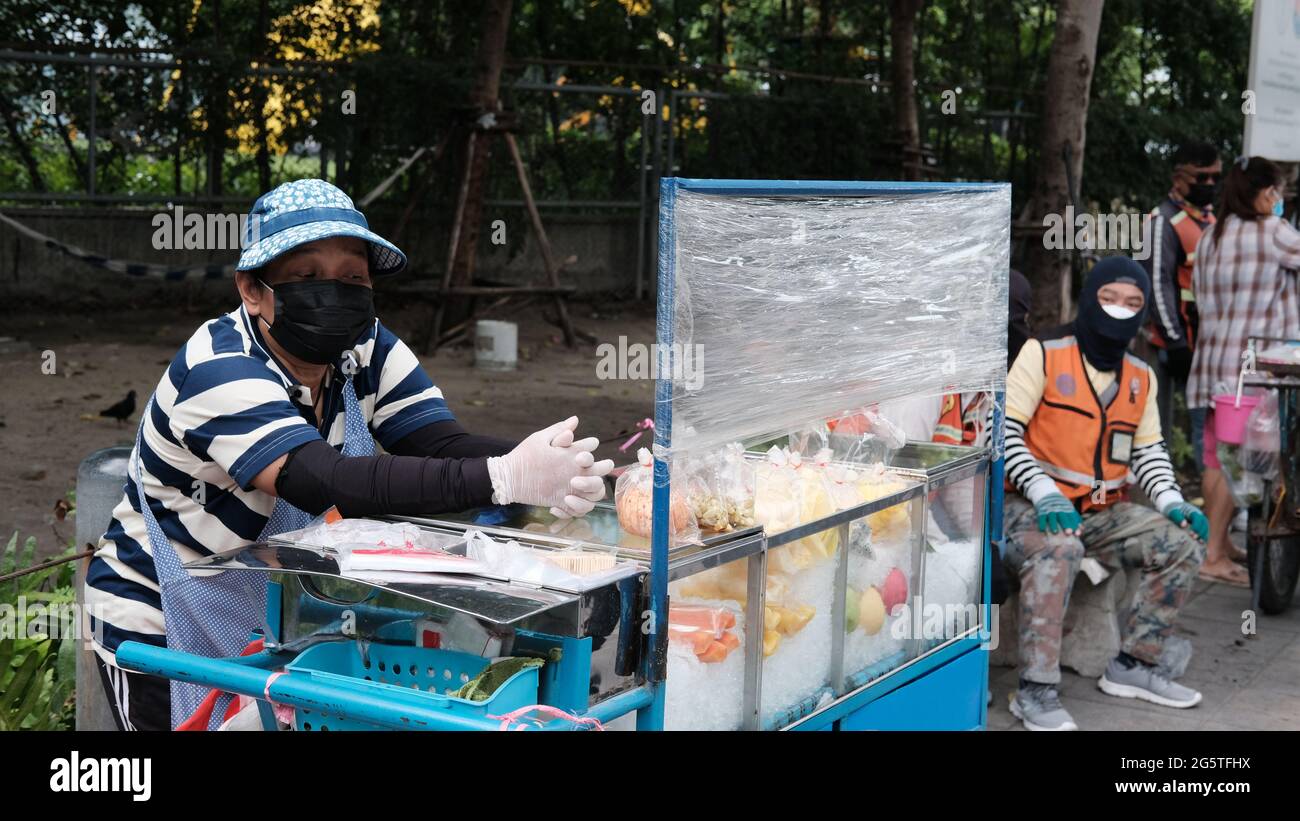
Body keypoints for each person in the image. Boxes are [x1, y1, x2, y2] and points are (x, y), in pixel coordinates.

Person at [84, 179, 614, 731]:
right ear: (252, 289)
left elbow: (438, 443)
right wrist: (505, 477)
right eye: (307, 277)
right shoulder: (218, 366)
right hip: (161, 621)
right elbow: (322, 479)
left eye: (352, 278)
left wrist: (555, 464)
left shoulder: (365, 349)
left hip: (267, 607)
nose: (333, 293)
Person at [1002, 256, 1207, 731]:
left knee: (1181, 540)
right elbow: (1005, 432)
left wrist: (1173, 503)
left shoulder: (1140, 376)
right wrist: (1043, 491)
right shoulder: (1044, 351)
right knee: (1059, 547)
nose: (1120, 310)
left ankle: (1134, 665)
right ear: (1090, 297)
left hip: (1098, 514)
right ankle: (1035, 690)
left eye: (1133, 303)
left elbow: (1150, 454)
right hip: (1028, 508)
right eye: (1110, 298)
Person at [1188, 157, 1300, 588]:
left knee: (1219, 458)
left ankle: (1220, 545)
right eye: (1275, 192)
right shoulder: (1272, 233)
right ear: (1263, 193)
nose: (1279, 200)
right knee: (1237, 463)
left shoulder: (1211, 235)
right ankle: (1213, 553)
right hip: (1255, 371)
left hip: (1213, 365)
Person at [1136, 141, 1220, 471]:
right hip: (1167, 344)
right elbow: (1156, 285)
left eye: (1215, 177)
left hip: (1203, 343)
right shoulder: (1161, 223)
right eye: (1202, 178)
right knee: (1156, 431)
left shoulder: (1210, 220)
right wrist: (1175, 341)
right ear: (1179, 178)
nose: (1210, 185)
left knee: (1207, 428)